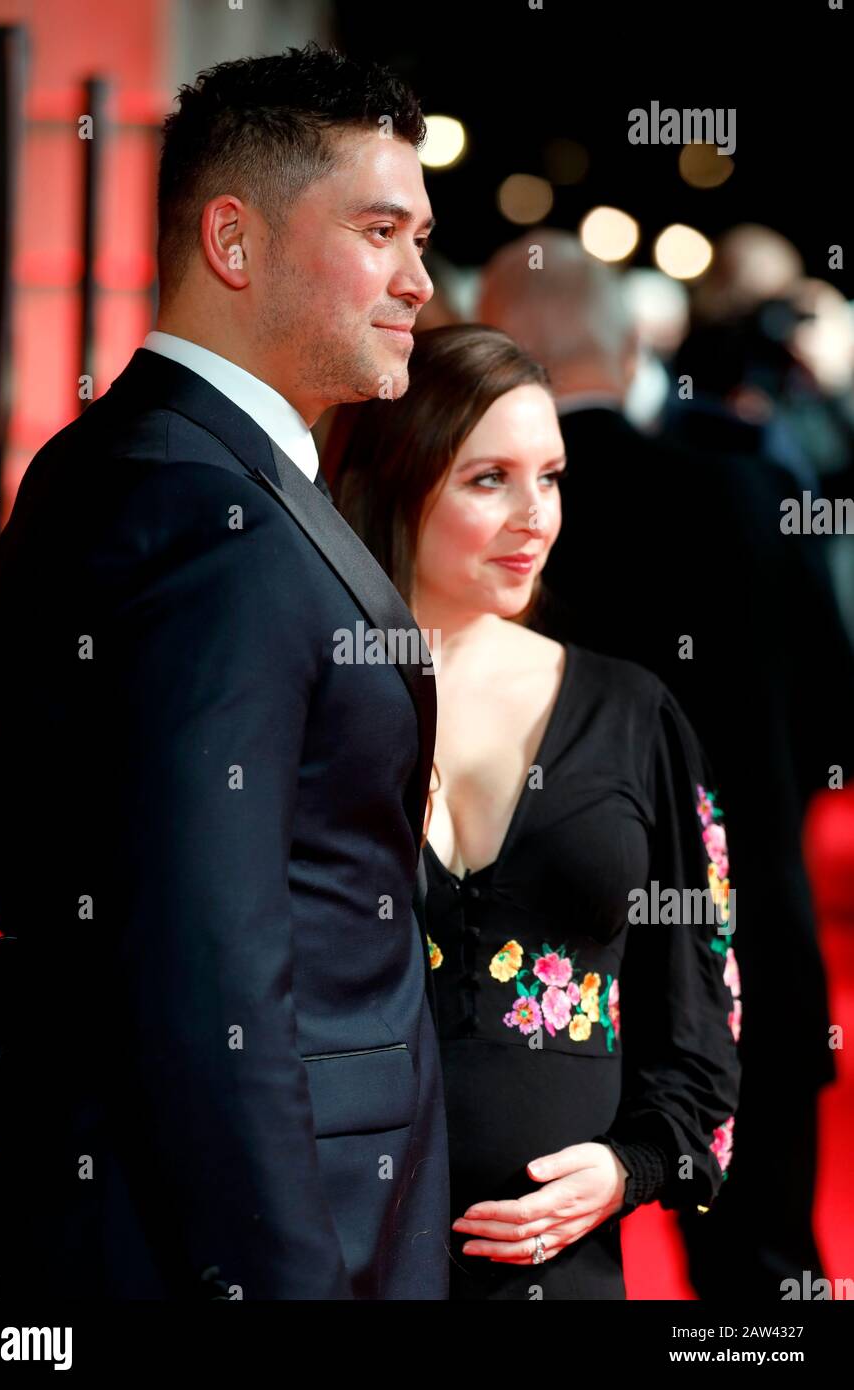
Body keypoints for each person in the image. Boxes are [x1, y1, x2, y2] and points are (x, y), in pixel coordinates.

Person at [0, 42, 449, 1300]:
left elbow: (105, 871)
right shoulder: (206, 514)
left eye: (421, 236)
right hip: (267, 1227)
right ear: (233, 240)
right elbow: (210, 959)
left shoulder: (128, 462)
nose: (420, 280)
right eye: (381, 231)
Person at [327, 323, 742, 1299]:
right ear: (397, 477)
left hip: (561, 1272)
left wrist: (629, 1166)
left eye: (549, 477)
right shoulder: (313, 707)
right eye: (489, 480)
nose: (535, 517)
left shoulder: (633, 712)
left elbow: (704, 997)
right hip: (338, 1251)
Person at [478, 228, 854, 1298]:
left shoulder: (480, 526)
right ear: (627, 342)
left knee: (529, 1269)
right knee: (764, 1277)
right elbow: (834, 727)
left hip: (547, 978)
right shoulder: (747, 495)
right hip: (752, 959)